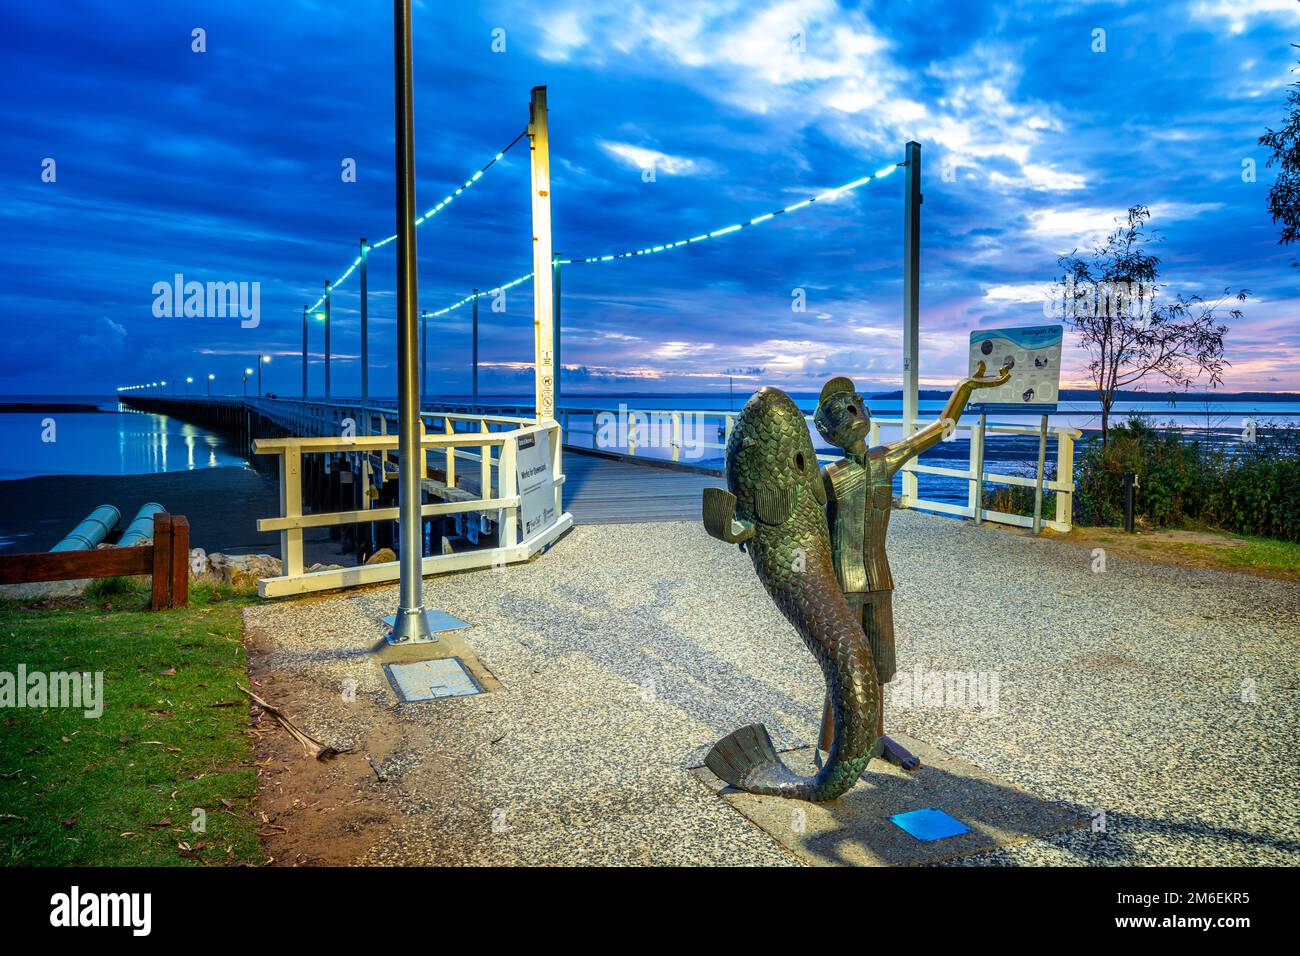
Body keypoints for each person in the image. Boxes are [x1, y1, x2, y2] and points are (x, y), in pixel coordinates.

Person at [812, 359, 1010, 769]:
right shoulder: (827, 478)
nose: (853, 413)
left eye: (855, 405)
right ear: (827, 431)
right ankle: (831, 744)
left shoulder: (886, 460)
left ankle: (875, 738)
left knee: (880, 665)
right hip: (843, 585)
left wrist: (966, 387)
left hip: (880, 581)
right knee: (843, 667)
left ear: (866, 411)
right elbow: (786, 512)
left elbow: (941, 427)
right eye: (841, 411)